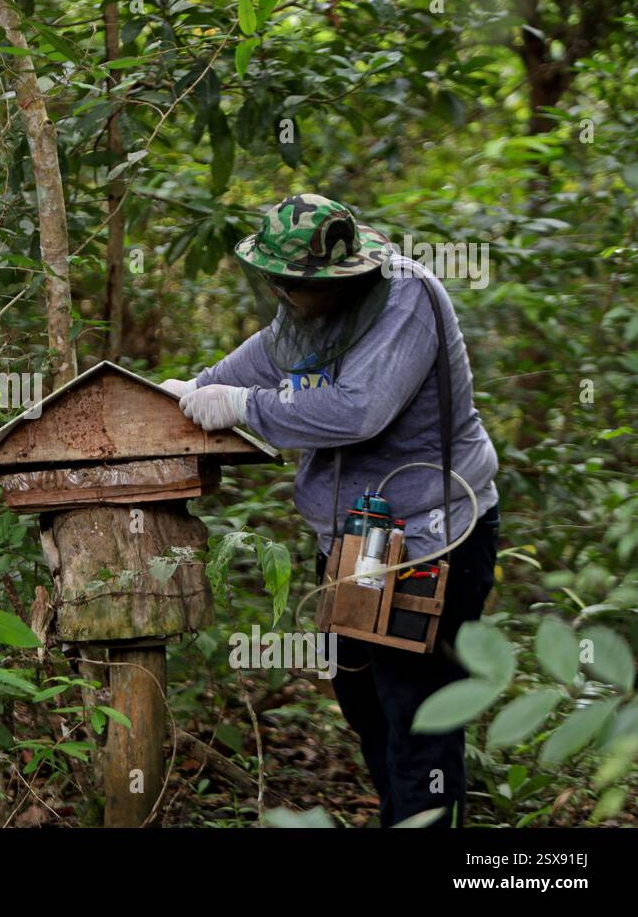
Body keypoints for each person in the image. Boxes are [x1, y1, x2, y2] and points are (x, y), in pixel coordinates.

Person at [164, 194, 500, 827]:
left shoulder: (408, 300)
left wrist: (244, 406)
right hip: (355, 545)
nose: (284, 295)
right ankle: (401, 816)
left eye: (296, 285)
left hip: (432, 536)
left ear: (342, 275)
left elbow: (357, 410)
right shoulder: (303, 315)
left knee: (418, 711)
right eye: (277, 283)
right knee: (364, 698)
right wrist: (191, 391)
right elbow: (255, 362)